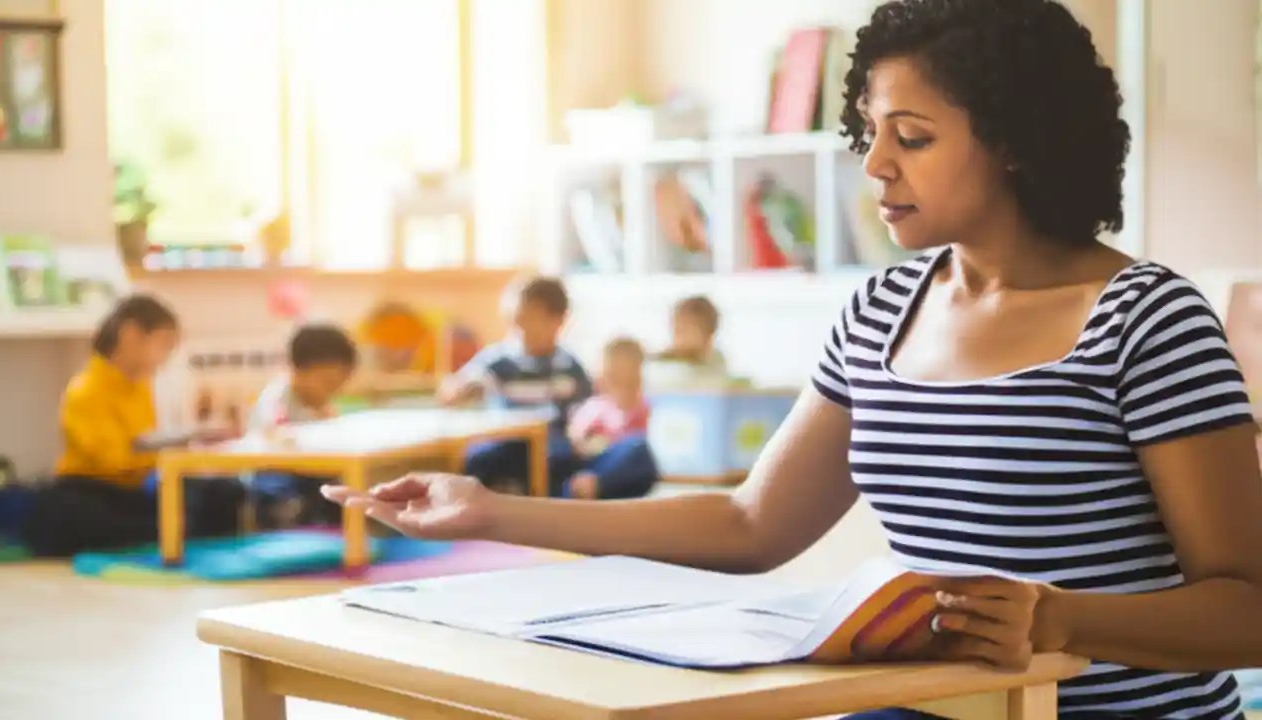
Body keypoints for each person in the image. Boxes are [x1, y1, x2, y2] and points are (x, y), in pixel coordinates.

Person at [324, 1, 1262, 717]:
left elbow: (1247, 610)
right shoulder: (883, 310)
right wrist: (492, 511)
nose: (875, 167)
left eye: (915, 138)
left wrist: (1061, 618)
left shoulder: (1147, 320)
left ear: (1016, 142)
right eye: (872, 134)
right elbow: (750, 523)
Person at [23, 294, 243, 556]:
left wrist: (187, 452)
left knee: (221, 493)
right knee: (72, 515)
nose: (164, 359)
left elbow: (145, 445)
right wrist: (167, 455)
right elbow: (114, 461)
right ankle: (171, 533)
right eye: (163, 345)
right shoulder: (85, 391)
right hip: (91, 490)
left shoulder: (142, 387)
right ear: (131, 335)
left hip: (132, 490)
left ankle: (180, 534)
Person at [437, 276, 592, 494]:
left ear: (558, 321)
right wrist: (460, 389)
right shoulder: (499, 360)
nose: (519, 328)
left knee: (565, 460)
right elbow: (454, 390)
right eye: (515, 320)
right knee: (478, 459)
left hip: (553, 448)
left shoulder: (570, 366)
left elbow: (586, 415)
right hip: (507, 443)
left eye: (528, 319)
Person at [247, 322, 357, 527]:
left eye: (338, 386)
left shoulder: (321, 405)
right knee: (276, 487)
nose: (331, 392)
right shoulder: (276, 398)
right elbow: (274, 437)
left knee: (339, 486)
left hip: (311, 473)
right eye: (326, 382)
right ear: (298, 371)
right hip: (276, 472)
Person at [564, 337, 660, 500]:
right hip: (594, 462)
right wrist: (589, 444)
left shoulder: (645, 407)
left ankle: (595, 486)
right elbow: (575, 437)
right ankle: (583, 489)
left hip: (620, 473)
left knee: (639, 450)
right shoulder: (595, 406)